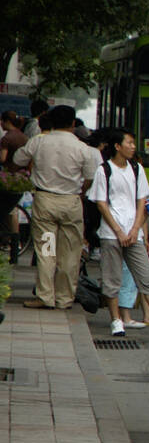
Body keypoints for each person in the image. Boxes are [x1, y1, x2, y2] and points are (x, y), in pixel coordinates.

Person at [88, 130, 149, 336]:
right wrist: (118, 230)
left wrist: (135, 229)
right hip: (111, 233)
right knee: (112, 279)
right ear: (117, 146)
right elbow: (101, 204)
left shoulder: (137, 168)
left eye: (133, 143)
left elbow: (143, 201)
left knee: (146, 277)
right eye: (129, 143)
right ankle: (116, 320)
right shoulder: (104, 170)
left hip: (134, 235)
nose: (133, 147)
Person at [11, 105, 99, 309]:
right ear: (73, 124)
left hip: (45, 203)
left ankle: (45, 297)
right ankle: (64, 298)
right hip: (71, 202)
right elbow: (89, 178)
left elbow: (17, 160)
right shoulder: (81, 148)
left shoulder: (39, 142)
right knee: (70, 253)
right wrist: (80, 191)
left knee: (47, 250)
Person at [0, 111, 30, 263]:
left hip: (7, 178)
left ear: (5, 121)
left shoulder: (7, 138)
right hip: (21, 179)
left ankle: (6, 241)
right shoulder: (24, 137)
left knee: (6, 210)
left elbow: (3, 158)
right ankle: (15, 247)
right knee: (13, 212)